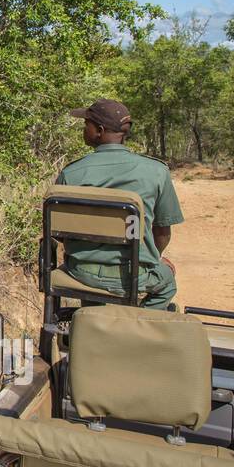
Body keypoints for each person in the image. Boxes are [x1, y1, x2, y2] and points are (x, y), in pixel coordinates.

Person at [55, 99, 184, 310]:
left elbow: (60, 233)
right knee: (167, 281)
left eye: (86, 124)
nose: (83, 128)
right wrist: (151, 259)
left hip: (82, 273)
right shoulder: (157, 171)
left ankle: (95, 320)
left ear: (99, 130)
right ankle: (138, 325)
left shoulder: (71, 173)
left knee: (91, 286)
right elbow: (162, 232)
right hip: (135, 275)